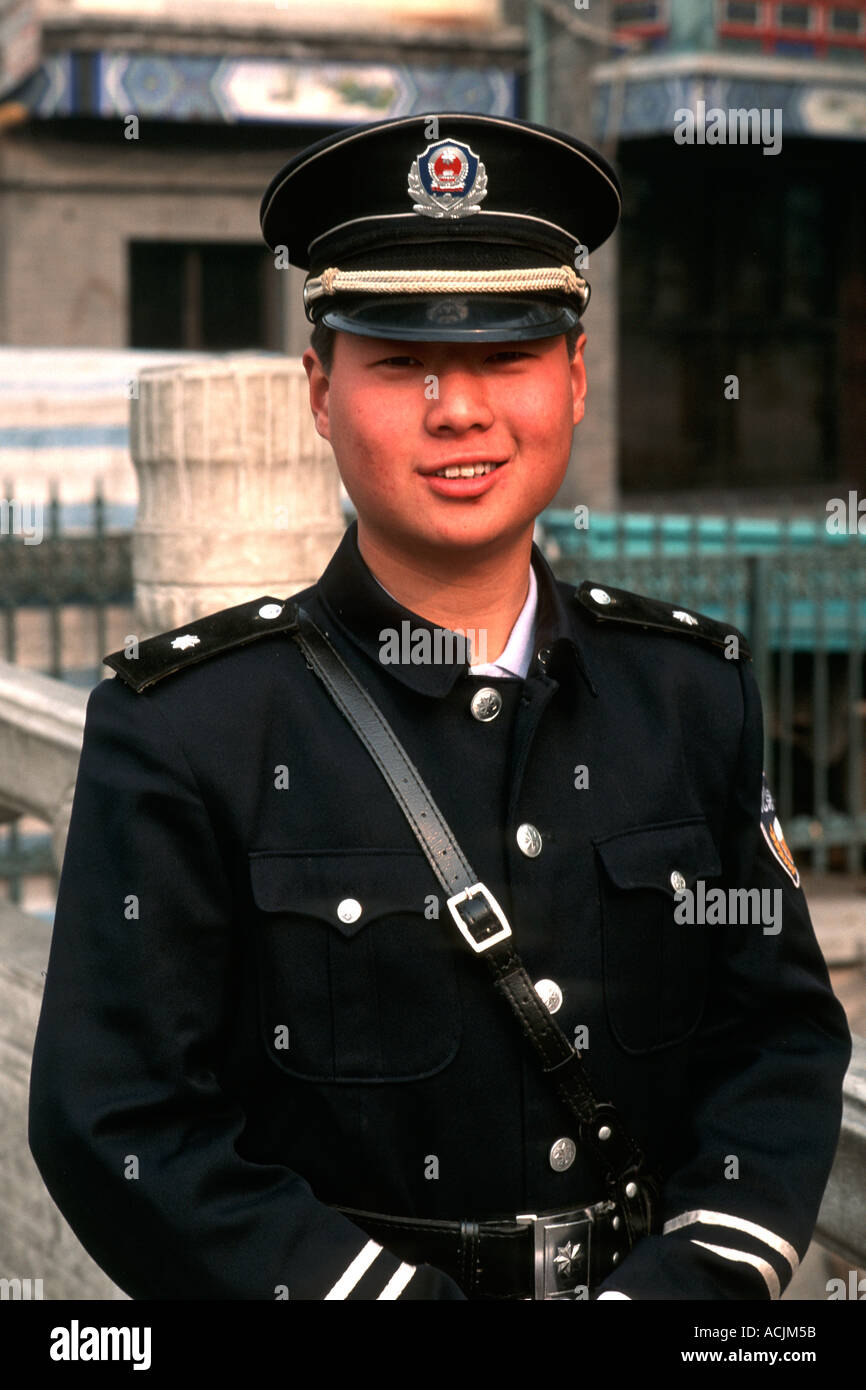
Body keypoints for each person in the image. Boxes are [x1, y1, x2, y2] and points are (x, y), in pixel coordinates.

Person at [29, 113, 851, 1301]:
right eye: (401, 362)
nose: (457, 409)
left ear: (572, 380)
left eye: (507, 356)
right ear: (319, 388)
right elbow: (116, 1117)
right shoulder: (191, 728)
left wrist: (690, 1283)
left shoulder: (684, 692)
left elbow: (773, 1041)